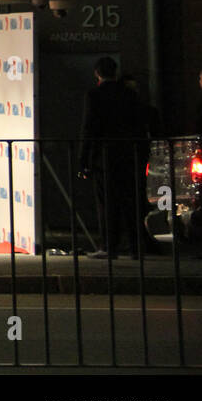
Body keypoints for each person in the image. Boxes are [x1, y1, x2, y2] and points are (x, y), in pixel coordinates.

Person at [79, 57, 147, 259]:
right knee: (130, 201)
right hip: (128, 154)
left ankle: (109, 246)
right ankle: (136, 247)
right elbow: (139, 125)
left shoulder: (94, 95)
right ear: (116, 73)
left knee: (107, 203)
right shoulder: (129, 94)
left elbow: (89, 127)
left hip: (104, 156)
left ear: (97, 74)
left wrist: (83, 160)